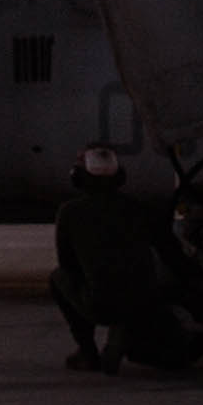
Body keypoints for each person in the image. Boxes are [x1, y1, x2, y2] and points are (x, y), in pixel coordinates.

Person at [50, 143, 170, 373]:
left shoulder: (70, 212)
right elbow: (168, 251)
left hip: (101, 303)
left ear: (78, 177)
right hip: (143, 303)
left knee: (58, 278)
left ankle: (87, 351)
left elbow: (67, 264)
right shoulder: (139, 209)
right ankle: (123, 330)